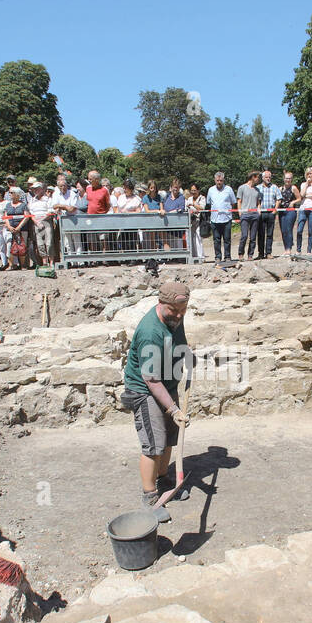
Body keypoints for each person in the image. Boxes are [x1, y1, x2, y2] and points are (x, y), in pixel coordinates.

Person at [120, 280, 192, 522]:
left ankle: (164, 480)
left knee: (170, 436)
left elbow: (178, 344)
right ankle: (150, 497)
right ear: (161, 303)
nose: (179, 315)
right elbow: (150, 378)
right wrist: (172, 408)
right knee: (154, 443)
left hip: (167, 383)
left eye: (183, 310)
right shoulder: (151, 331)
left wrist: (186, 356)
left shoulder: (176, 317)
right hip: (145, 389)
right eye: (175, 310)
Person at [207, 171, 235, 263]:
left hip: (226, 219)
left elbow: (233, 202)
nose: (219, 182)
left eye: (221, 180)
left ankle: (227, 257)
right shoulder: (211, 190)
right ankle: (218, 257)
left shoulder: (229, 189)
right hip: (215, 219)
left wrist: (229, 212)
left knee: (227, 239)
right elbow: (208, 203)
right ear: (215, 180)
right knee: (216, 240)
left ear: (223, 180)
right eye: (217, 180)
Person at [52, 173, 79, 259]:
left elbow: (72, 208)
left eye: (64, 186)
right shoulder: (56, 194)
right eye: (60, 186)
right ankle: (71, 260)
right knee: (67, 241)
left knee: (76, 240)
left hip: (73, 219)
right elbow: (54, 206)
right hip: (63, 220)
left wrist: (61, 206)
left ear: (67, 185)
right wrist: (65, 206)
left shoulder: (72, 193)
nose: (62, 188)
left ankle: (80, 260)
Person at [295, 167, 312, 253]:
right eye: (307, 174)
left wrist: (308, 195)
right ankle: (298, 250)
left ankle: (309, 251)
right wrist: (307, 184)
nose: (309, 175)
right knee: (299, 230)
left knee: (310, 231)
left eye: (310, 173)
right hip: (303, 208)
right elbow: (302, 195)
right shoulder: (303, 184)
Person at [236, 171, 261, 260]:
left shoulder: (257, 190)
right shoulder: (242, 188)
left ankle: (250, 255)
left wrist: (259, 211)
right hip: (245, 215)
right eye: (257, 177)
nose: (258, 179)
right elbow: (239, 201)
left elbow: (258, 203)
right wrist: (240, 212)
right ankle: (240, 254)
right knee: (244, 235)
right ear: (253, 177)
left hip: (254, 215)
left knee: (253, 237)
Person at [28, 181, 54, 265]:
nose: (35, 190)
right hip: (36, 223)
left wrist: (42, 220)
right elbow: (31, 213)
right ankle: (44, 262)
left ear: (42, 189)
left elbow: (50, 212)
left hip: (46, 222)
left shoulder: (48, 199)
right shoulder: (32, 200)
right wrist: (36, 222)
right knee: (40, 243)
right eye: (34, 189)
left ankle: (51, 262)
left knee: (49, 242)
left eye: (37, 188)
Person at [257, 169, 280, 259]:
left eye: (269, 177)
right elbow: (257, 200)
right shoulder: (258, 188)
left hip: (271, 213)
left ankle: (268, 253)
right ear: (262, 178)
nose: (268, 179)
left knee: (270, 234)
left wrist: (275, 209)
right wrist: (258, 208)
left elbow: (279, 199)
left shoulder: (274, 187)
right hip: (261, 213)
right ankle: (260, 254)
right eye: (266, 177)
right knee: (261, 234)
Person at [162, 177, 187, 251]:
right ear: (171, 187)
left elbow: (181, 208)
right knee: (169, 243)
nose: (175, 189)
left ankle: (180, 257)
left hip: (178, 225)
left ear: (179, 188)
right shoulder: (166, 197)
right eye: (174, 187)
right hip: (168, 225)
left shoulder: (181, 197)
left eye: (177, 187)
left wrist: (170, 212)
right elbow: (163, 207)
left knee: (178, 243)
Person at [278, 171, 299, 253]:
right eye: (286, 178)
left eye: (289, 178)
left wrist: (292, 202)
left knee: (288, 229)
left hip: (290, 211)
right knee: (283, 230)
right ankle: (286, 248)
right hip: (282, 211)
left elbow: (299, 198)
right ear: (284, 179)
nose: (288, 180)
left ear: (291, 179)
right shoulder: (280, 189)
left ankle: (289, 249)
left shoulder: (293, 188)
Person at [185, 184, 206, 261]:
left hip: (199, 220)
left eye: (195, 190)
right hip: (190, 221)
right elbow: (186, 207)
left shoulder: (202, 198)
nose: (193, 192)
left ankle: (201, 257)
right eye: (192, 190)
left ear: (198, 190)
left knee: (198, 239)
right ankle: (193, 256)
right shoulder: (189, 198)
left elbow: (202, 208)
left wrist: (194, 204)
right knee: (190, 239)